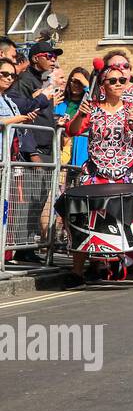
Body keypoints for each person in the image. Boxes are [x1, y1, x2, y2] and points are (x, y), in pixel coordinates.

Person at [63, 59, 133, 289]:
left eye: (122, 80)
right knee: (84, 220)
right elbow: (73, 130)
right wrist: (79, 115)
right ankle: (78, 272)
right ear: (103, 84)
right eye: (113, 81)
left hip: (126, 173)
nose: (119, 84)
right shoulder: (93, 108)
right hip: (97, 173)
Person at [13, 39, 64, 261]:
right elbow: (23, 118)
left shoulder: (44, 81)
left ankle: (30, 247)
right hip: (33, 151)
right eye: (49, 56)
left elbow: (41, 115)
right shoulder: (25, 81)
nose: (54, 60)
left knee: (40, 200)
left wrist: (56, 120)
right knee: (29, 201)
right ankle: (23, 249)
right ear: (36, 58)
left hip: (47, 147)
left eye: (55, 57)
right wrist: (32, 152)